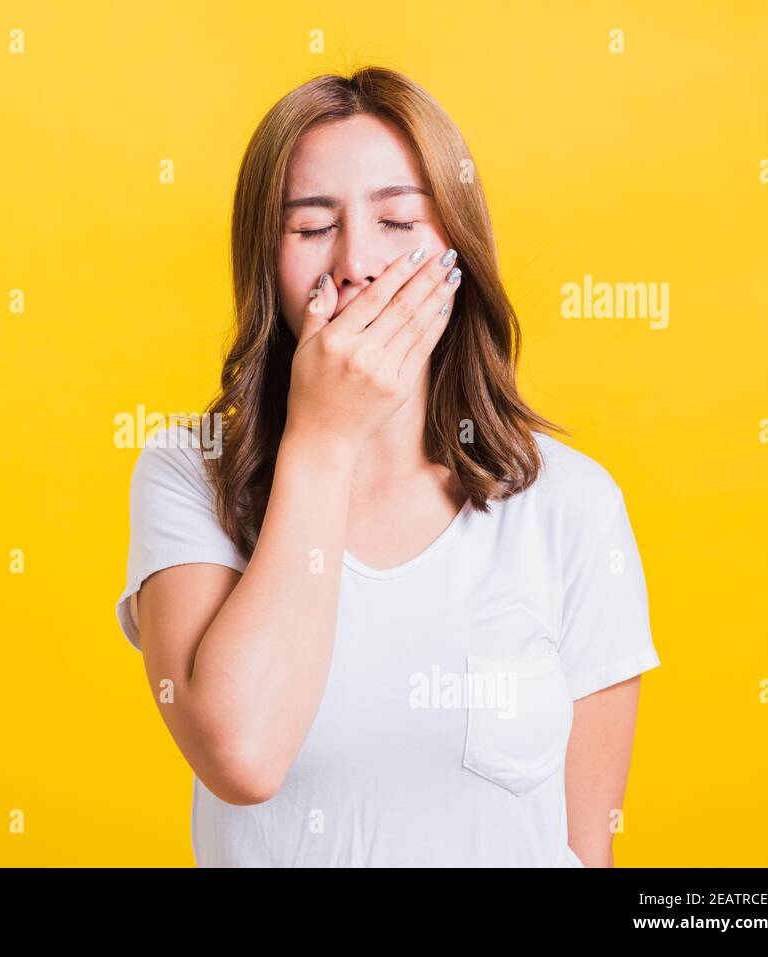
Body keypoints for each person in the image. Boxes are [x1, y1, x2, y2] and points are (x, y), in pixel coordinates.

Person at [114, 67, 661, 867]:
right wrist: (322, 442)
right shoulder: (188, 475)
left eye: (398, 220)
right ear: (265, 265)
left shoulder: (571, 504)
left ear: (457, 251)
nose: (356, 263)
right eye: (309, 228)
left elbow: (587, 850)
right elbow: (242, 756)